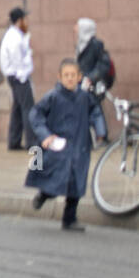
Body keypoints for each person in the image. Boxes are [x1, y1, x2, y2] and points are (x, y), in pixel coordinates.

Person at [26, 59, 107, 232]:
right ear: (60, 77)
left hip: (79, 146)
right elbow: (36, 114)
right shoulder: (53, 96)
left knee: (75, 184)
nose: (69, 79)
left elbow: (96, 112)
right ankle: (44, 195)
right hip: (58, 148)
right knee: (55, 179)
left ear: (79, 77)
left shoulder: (85, 97)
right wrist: (45, 135)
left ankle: (69, 219)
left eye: (73, 75)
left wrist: (100, 131)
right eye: (66, 75)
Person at [0, 6, 36, 151]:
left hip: (16, 76)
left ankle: (14, 141)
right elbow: (17, 59)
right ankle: (31, 142)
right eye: (25, 19)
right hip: (19, 76)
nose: (27, 21)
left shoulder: (16, 35)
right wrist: (22, 76)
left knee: (17, 109)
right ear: (19, 20)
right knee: (28, 108)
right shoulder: (14, 36)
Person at [75, 17, 111, 145]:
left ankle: (101, 136)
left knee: (95, 109)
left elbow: (103, 65)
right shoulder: (80, 43)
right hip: (82, 82)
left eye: (78, 26)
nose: (75, 29)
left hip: (92, 83)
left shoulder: (95, 44)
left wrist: (91, 77)